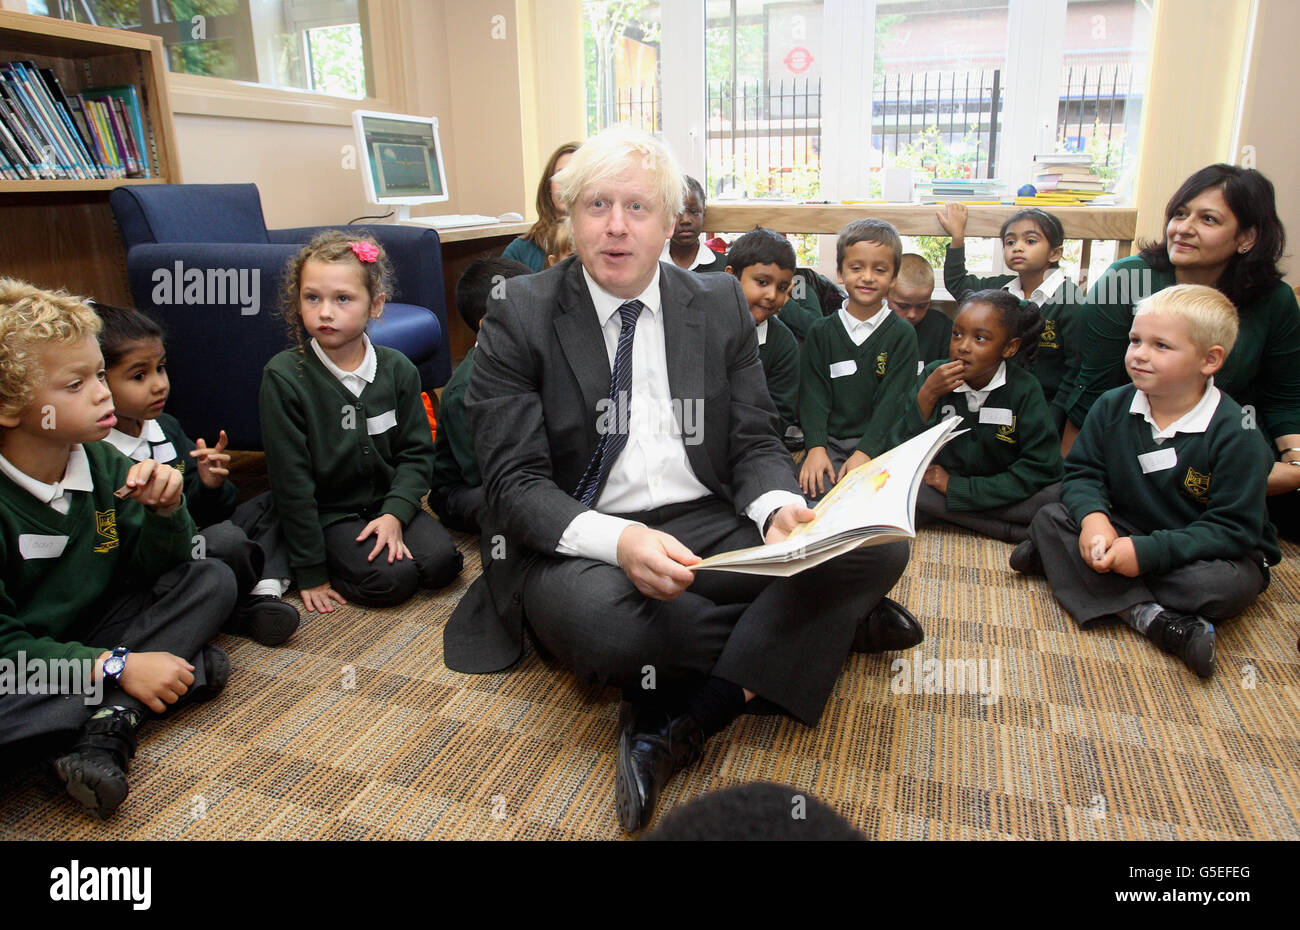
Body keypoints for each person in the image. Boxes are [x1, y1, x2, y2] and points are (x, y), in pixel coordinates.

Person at [443, 126, 920, 833]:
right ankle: (823, 622)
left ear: (672, 223)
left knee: (878, 546)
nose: (614, 226)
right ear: (569, 217)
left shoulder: (718, 303)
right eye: (596, 205)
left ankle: (686, 719)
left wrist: (777, 507)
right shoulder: (522, 311)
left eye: (638, 208)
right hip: (583, 534)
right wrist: (621, 542)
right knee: (610, 634)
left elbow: (755, 438)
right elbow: (514, 486)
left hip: (707, 511)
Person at [0, 279, 236, 817]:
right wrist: (116, 666)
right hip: (20, 665)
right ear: (9, 408)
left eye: (100, 375)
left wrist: (165, 513)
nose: (103, 393)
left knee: (211, 577)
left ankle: (106, 722)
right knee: (198, 665)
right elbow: (4, 649)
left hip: (93, 629)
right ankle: (127, 704)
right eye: (75, 384)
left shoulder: (102, 463)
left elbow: (153, 570)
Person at [1012, 285, 1280, 677]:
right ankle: (1152, 618)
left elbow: (1232, 529)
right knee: (1050, 517)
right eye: (1135, 340)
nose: (1139, 354)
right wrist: (1094, 520)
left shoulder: (1239, 433)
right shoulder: (1111, 404)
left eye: (1161, 346)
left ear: (1210, 360)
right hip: (1128, 524)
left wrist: (1145, 554)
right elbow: (1084, 473)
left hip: (1204, 549)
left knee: (1221, 588)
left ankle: (1069, 566)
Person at [1060, 165, 1300, 514]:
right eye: (1180, 214)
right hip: (1139, 441)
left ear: (1247, 237)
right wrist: (1072, 476)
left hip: (1230, 444)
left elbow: (1285, 399)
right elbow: (1092, 385)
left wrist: (1295, 467)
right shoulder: (1126, 280)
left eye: (1208, 220)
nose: (1184, 229)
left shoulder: (1273, 299)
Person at [259, 231, 462, 614]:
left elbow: (417, 454)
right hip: (332, 513)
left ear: (376, 305)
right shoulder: (284, 377)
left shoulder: (398, 369)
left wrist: (395, 513)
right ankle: (290, 553)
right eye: (312, 298)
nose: (325, 312)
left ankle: (384, 531)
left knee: (441, 565)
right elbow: (291, 482)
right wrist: (311, 571)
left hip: (386, 501)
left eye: (343, 299)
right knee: (390, 581)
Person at [96, 303, 299, 646]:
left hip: (196, 537)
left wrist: (210, 484)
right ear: (99, 380)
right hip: (162, 564)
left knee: (278, 500)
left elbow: (210, 510)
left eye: (161, 368)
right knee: (226, 543)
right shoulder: (100, 454)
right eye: (138, 376)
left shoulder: (165, 427)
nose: (159, 385)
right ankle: (239, 607)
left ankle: (262, 593)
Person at [901, 290, 1063, 543]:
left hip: (999, 488)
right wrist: (927, 395)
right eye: (957, 334)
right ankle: (1005, 529)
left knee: (1056, 497)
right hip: (936, 486)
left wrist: (958, 489)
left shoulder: (1024, 388)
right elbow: (901, 449)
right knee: (905, 487)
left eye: (980, 338)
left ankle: (955, 515)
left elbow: (1042, 467)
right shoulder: (934, 375)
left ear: (1009, 348)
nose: (963, 347)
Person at [798, 218, 919, 500]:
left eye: (879, 269)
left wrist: (865, 452)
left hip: (881, 444)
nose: (867, 277)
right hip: (829, 442)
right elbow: (813, 395)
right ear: (840, 273)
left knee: (879, 507)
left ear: (893, 277)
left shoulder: (902, 334)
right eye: (856, 268)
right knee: (810, 499)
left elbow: (894, 402)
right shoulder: (821, 331)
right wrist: (815, 448)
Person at [939, 204, 1083, 431]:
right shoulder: (999, 290)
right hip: (1000, 405)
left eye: (1030, 241)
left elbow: (1075, 372)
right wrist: (957, 237)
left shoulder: (1071, 302)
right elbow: (958, 283)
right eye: (1010, 242)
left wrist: (1055, 422)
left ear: (1055, 253)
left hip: (1045, 410)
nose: (1018, 248)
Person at [430, 257, 532, 533]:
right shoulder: (465, 389)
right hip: (467, 488)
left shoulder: (530, 359)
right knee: (517, 505)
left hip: (521, 468)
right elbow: (482, 473)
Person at [724, 227, 801, 448]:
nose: (772, 295)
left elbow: (778, 417)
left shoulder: (783, 345)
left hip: (753, 444)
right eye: (762, 282)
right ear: (731, 277)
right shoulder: (703, 325)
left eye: (782, 287)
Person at [502, 141, 581, 272]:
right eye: (560, 176)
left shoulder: (603, 246)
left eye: (575, 176)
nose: (567, 184)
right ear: (548, 186)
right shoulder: (520, 250)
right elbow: (500, 291)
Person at [891, 253, 950, 371]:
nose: (912, 314)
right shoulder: (874, 325)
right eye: (903, 306)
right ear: (885, 295)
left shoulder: (942, 327)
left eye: (922, 306)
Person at [663, 176, 728, 273]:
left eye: (694, 212)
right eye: (678, 211)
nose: (685, 220)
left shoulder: (723, 266)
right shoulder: (651, 265)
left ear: (704, 214)